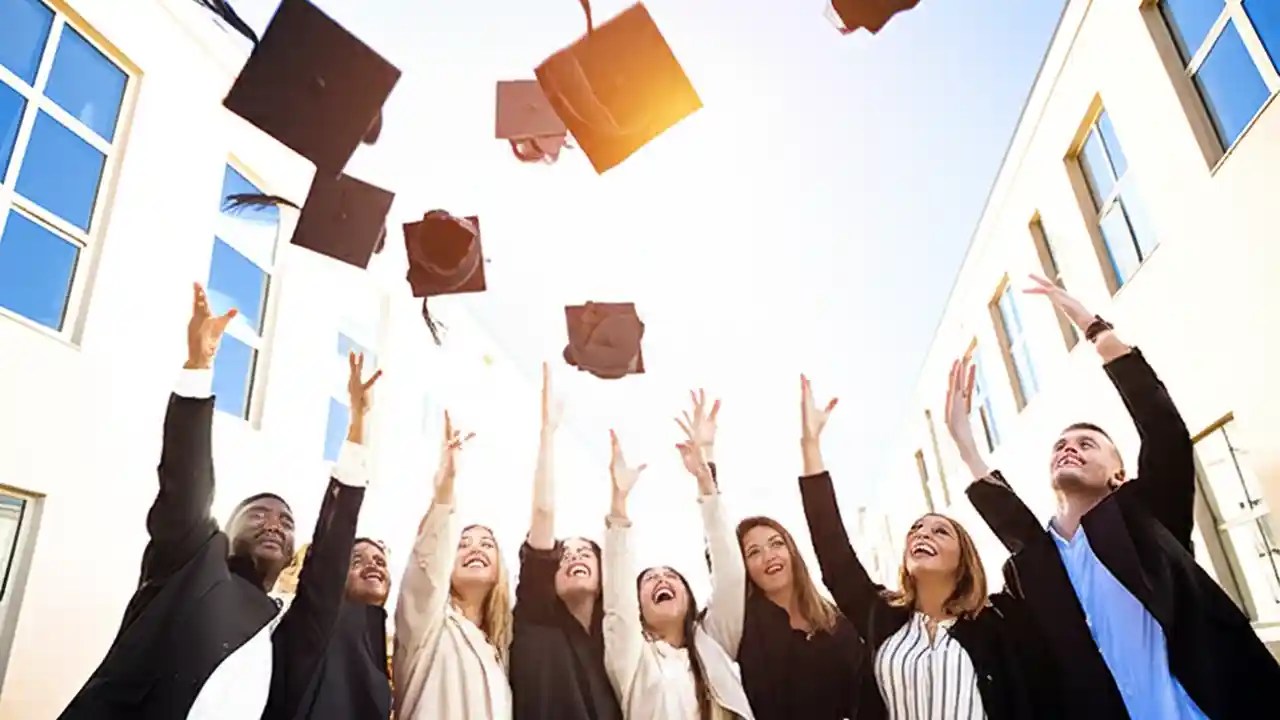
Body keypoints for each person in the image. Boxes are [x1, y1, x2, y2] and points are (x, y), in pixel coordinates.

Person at [951, 275, 1280, 719]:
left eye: (1087, 444)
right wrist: (965, 444)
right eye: (1062, 446)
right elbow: (1014, 525)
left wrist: (1094, 329)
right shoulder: (1036, 568)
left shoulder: (1149, 520)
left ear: (1118, 475)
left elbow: (1163, 428)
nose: (1070, 447)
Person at [59, 284, 370, 719]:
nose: (275, 524)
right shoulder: (189, 567)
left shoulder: (289, 630)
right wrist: (198, 367)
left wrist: (357, 432)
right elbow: (184, 487)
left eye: (286, 520)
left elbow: (332, 560)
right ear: (226, 529)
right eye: (258, 513)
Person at [797, 375, 1058, 720]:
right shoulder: (880, 615)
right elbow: (834, 554)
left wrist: (968, 450)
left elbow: (1031, 549)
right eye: (917, 529)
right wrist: (810, 449)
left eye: (940, 532)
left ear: (965, 559)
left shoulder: (998, 621)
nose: (923, 534)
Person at [674, 390, 871, 720]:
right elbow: (721, 556)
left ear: (793, 552)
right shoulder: (744, 624)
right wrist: (706, 467)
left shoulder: (834, 622)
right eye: (753, 552)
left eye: (777, 544)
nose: (769, 555)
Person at [263, 352, 392, 720]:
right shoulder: (316, 622)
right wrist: (358, 426)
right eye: (357, 560)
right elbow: (332, 544)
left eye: (380, 561)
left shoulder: (381, 648)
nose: (373, 565)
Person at [603, 429, 755, 719]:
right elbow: (618, 602)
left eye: (671, 576)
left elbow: (731, 575)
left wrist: (706, 487)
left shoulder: (714, 641)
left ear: (689, 596)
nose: (661, 579)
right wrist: (618, 506)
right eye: (649, 579)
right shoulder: (633, 660)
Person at [510, 364, 623, 720]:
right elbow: (543, 513)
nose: (574, 556)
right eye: (565, 554)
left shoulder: (620, 645)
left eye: (586, 552)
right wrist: (547, 434)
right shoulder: (535, 617)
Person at [394, 412, 514, 720]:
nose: (475, 548)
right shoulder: (428, 622)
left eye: (487, 544)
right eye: (463, 543)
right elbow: (428, 561)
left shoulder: (498, 651)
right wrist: (445, 486)